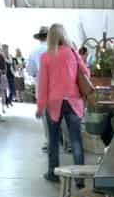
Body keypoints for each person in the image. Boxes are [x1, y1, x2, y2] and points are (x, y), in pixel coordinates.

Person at [36, 23, 89, 183]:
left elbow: (43, 84)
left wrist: (40, 106)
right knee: (76, 140)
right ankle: (80, 178)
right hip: (73, 101)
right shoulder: (72, 53)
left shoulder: (45, 57)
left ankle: (53, 173)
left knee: (53, 140)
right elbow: (86, 73)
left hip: (53, 103)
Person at [27, 26, 49, 151]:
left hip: (41, 86)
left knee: (45, 115)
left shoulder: (34, 50)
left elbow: (30, 70)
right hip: (57, 86)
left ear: (39, 37)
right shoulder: (55, 49)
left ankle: (49, 141)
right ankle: (66, 142)